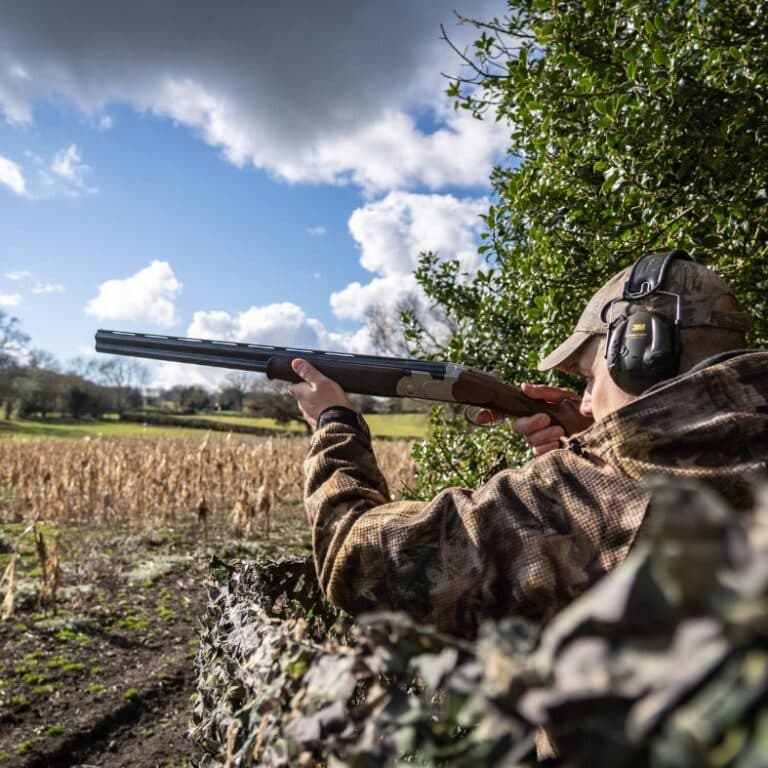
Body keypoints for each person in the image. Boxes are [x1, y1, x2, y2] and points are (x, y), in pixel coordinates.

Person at [289, 251, 766, 637]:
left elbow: (354, 557)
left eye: (588, 378)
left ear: (641, 355)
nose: (584, 403)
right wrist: (591, 446)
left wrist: (334, 421)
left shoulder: (589, 497)